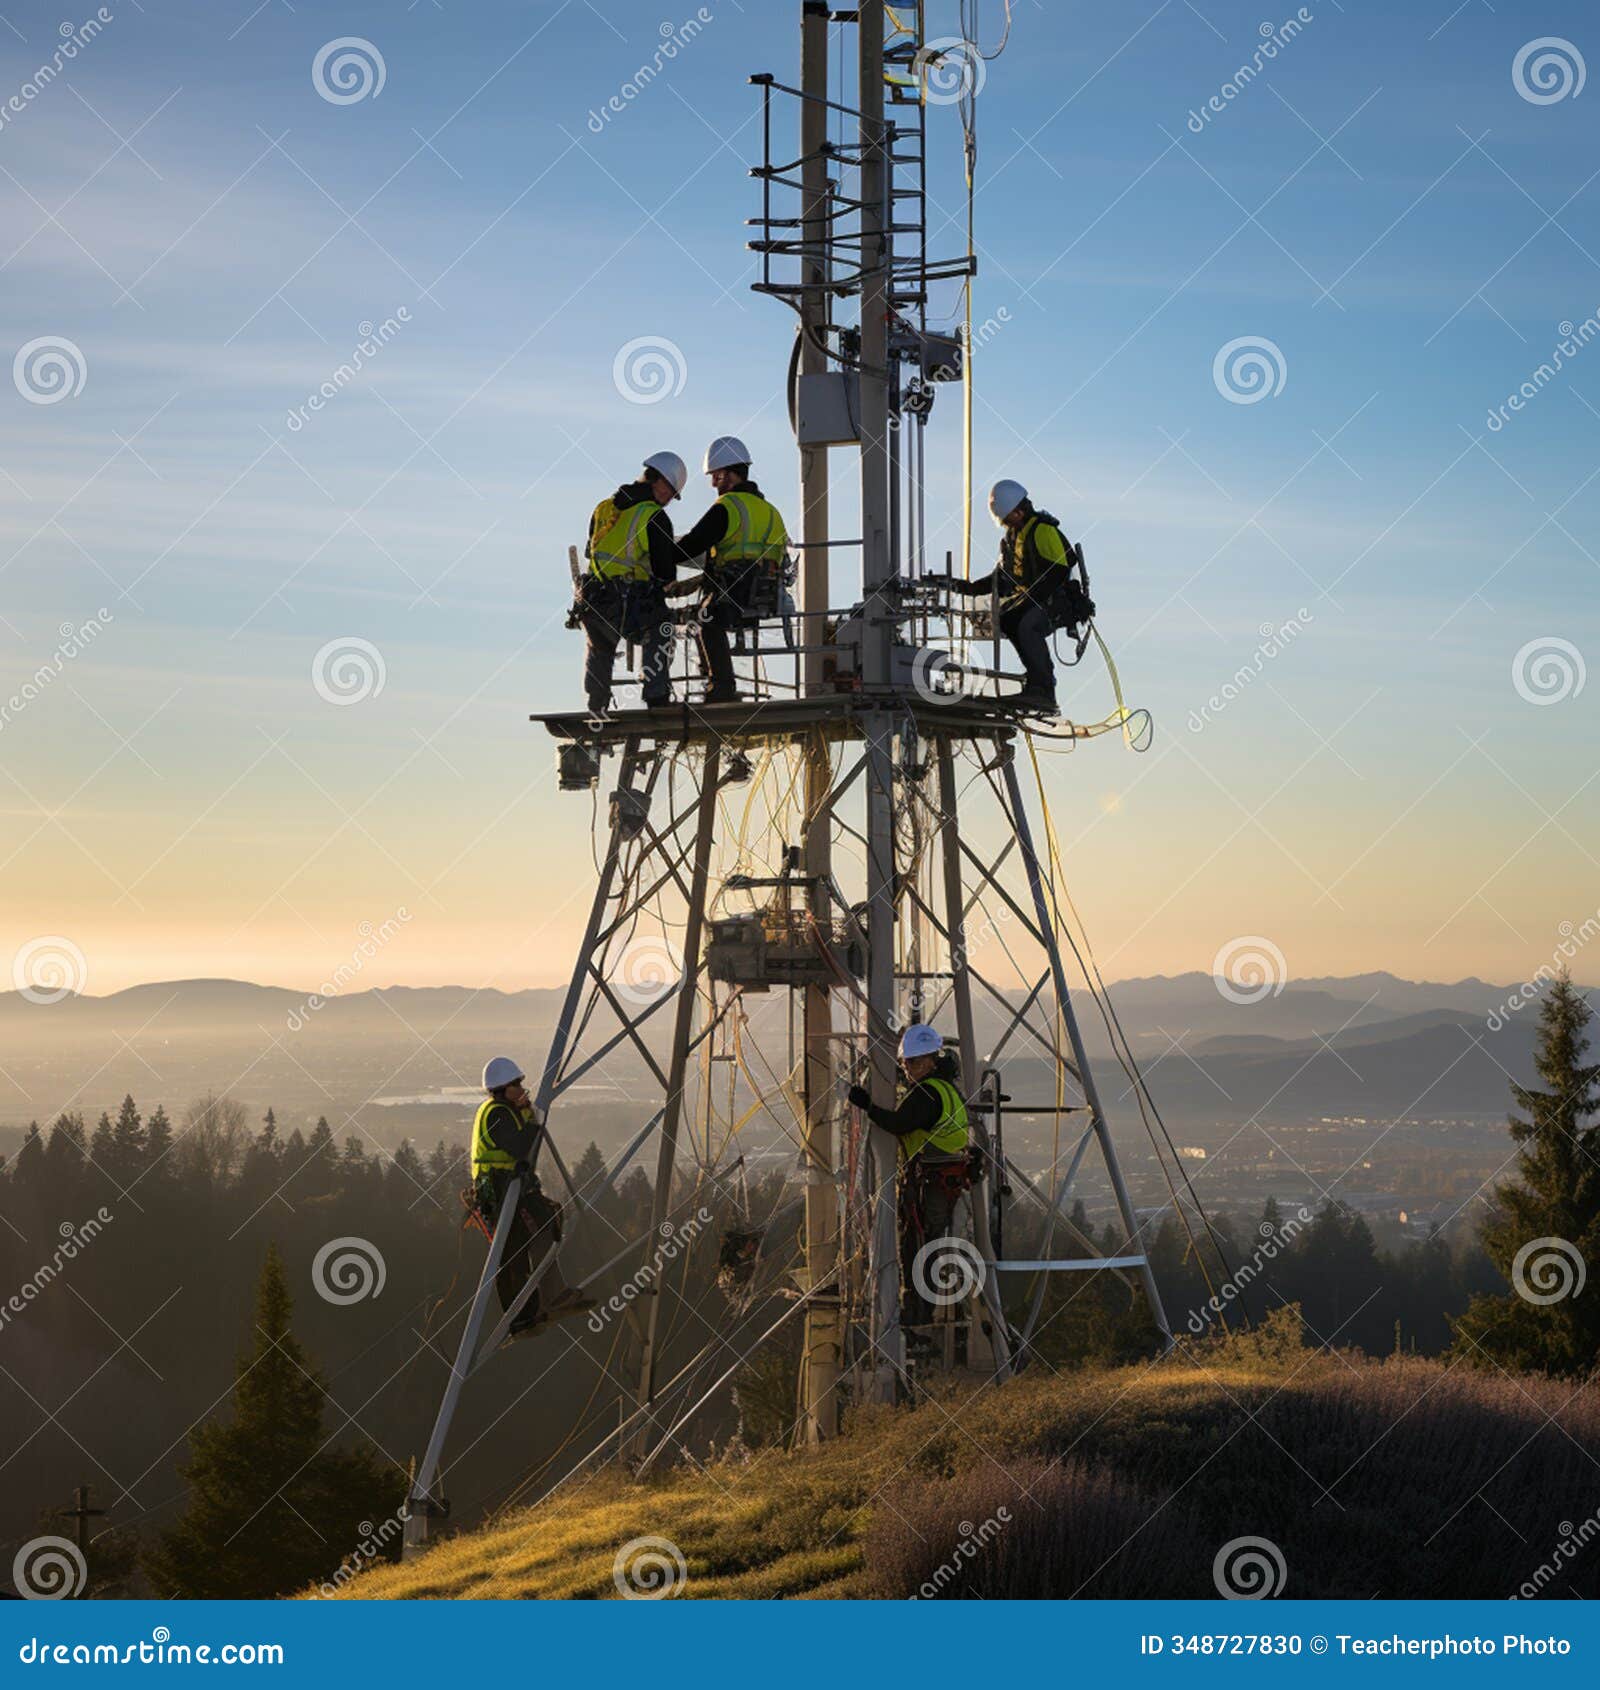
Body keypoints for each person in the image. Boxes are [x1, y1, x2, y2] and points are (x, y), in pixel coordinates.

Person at [848, 1023, 972, 1335]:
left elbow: (900, 1123)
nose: (908, 1068)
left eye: (913, 1062)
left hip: (932, 1180)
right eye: (905, 1063)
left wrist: (868, 1106)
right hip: (942, 1177)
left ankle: (918, 1313)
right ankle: (920, 1309)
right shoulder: (945, 1088)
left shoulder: (928, 1093)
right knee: (928, 1243)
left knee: (918, 1245)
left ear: (931, 1060)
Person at [945, 478, 1095, 714]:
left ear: (1019, 511)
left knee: (1027, 625)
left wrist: (1032, 600)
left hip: (1058, 601)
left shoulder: (1042, 530)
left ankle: (1044, 689)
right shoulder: (1012, 539)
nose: (1005, 524)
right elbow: (1001, 578)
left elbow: (1060, 570)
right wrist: (968, 588)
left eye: (1008, 518)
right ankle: (1035, 679)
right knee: (1008, 620)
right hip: (1037, 599)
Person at [471, 1056, 595, 1336]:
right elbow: (519, 1146)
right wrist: (533, 1121)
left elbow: (522, 1143)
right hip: (500, 1192)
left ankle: (550, 1297)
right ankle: (523, 1316)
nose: (521, 1088)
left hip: (514, 1188)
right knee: (513, 1253)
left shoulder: (508, 1110)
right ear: (502, 1088)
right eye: (516, 1084)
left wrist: (528, 1113)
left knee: (542, 1231)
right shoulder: (497, 1113)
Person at [667, 436, 789, 703]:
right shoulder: (771, 511)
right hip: (766, 593)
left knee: (705, 618)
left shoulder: (727, 507)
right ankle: (714, 676)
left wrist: (659, 556)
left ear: (729, 475)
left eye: (716, 476)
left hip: (738, 590)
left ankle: (721, 685)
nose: (712, 483)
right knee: (706, 615)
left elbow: (691, 545)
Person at [576, 451, 688, 715]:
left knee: (599, 647)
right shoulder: (653, 517)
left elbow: (591, 552)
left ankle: (596, 706)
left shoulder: (603, 508)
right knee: (661, 626)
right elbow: (665, 574)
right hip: (628, 605)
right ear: (659, 482)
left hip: (594, 599)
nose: (669, 501)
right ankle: (657, 696)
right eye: (671, 493)